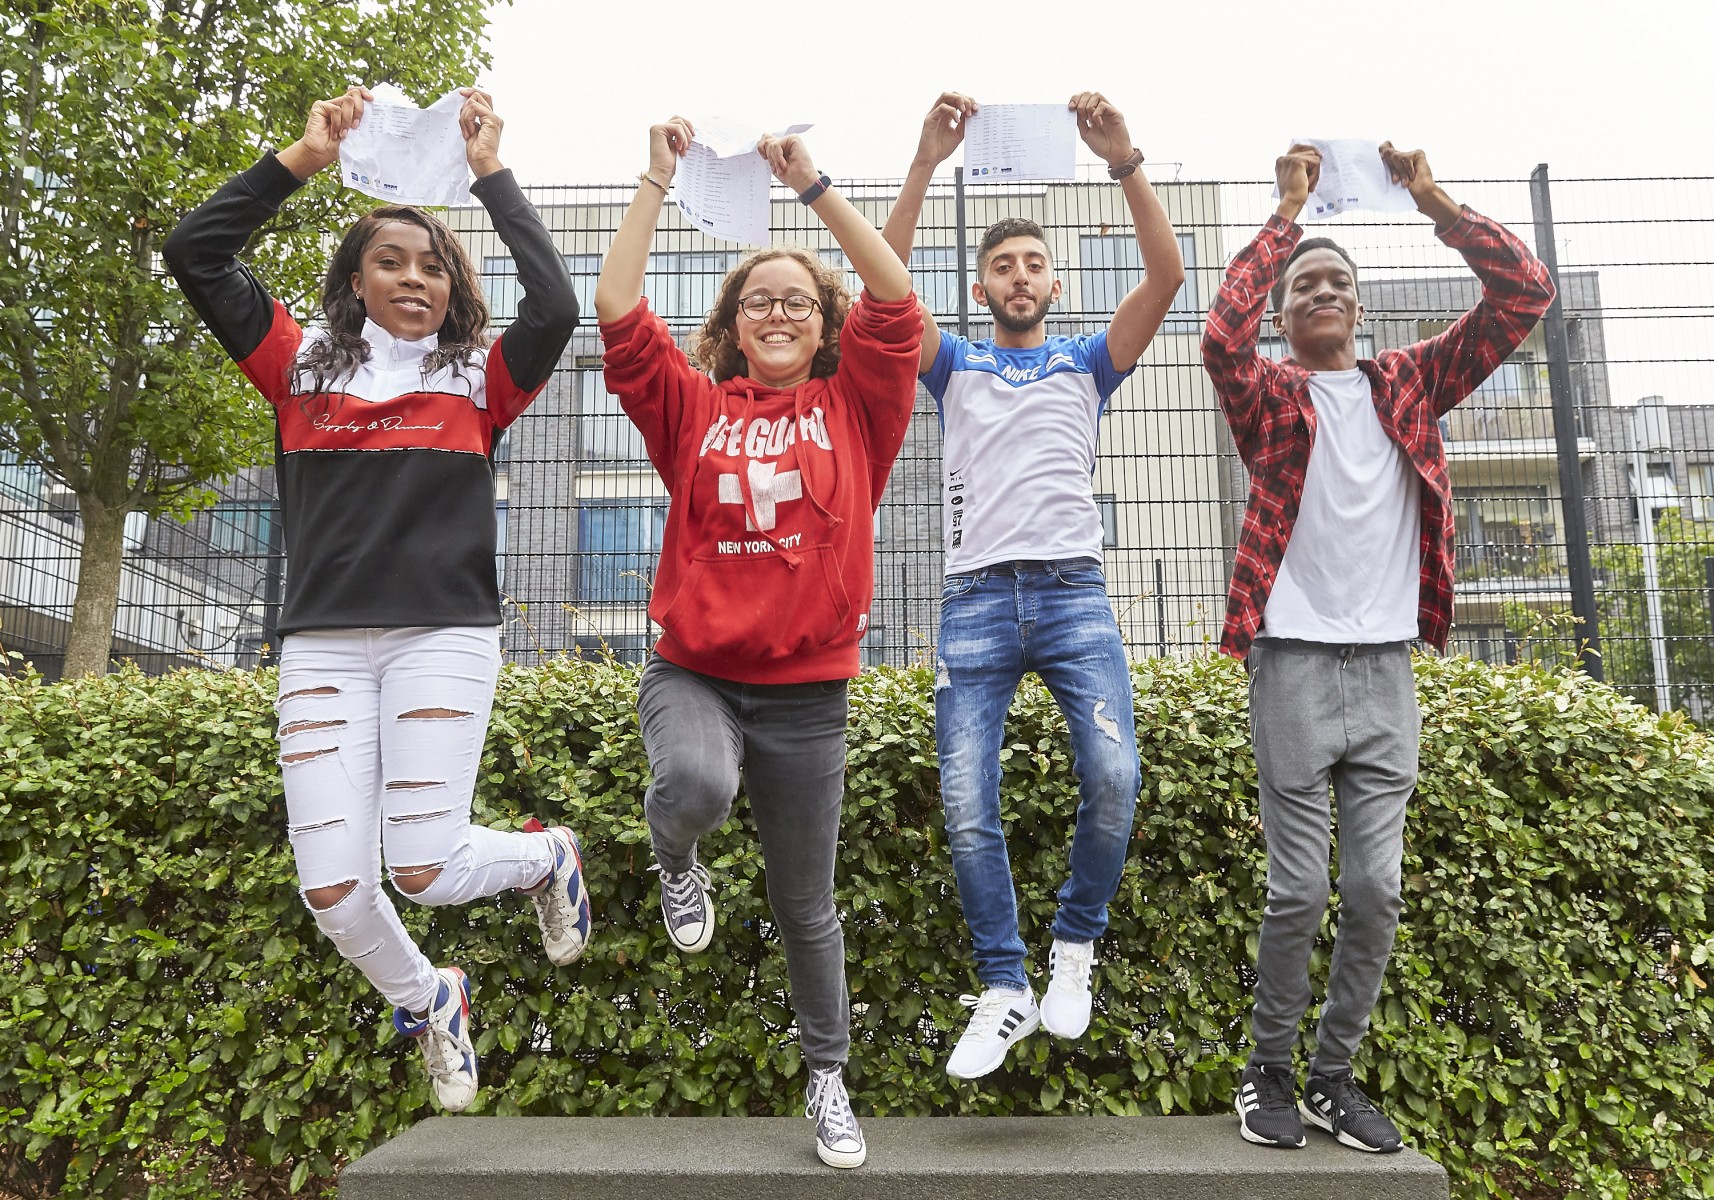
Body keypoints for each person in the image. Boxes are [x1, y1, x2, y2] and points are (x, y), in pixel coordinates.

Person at [163, 86, 591, 1114]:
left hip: (442, 637)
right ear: (353, 279)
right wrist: (302, 158)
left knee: (426, 868)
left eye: (431, 264)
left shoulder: (480, 377)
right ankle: (431, 996)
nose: (413, 276)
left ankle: (544, 858)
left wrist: (489, 173)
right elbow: (196, 253)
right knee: (332, 894)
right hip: (321, 648)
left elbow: (558, 308)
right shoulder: (296, 361)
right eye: (390, 260)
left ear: (451, 288)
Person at [1203, 144, 1554, 1152]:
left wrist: (1430, 197)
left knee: (1376, 888)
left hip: (1388, 666)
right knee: (1299, 887)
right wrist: (1286, 211)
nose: (1322, 290)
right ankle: (1266, 1069)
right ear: (1284, 309)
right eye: (1303, 282)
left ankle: (1331, 1077)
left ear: (1359, 310)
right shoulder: (1270, 396)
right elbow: (1220, 335)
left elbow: (1523, 292)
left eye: (1338, 282)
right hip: (1294, 664)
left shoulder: (1409, 384)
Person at [594, 119, 921, 1169]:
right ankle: (674, 856)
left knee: (802, 906)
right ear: (733, 326)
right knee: (693, 783)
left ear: (820, 324)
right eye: (755, 301)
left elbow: (896, 300)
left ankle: (826, 1078)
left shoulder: (856, 406)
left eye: (795, 300)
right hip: (696, 671)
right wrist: (655, 177)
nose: (775, 313)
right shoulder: (692, 409)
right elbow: (615, 308)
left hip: (808, 694)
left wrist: (812, 187)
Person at [881, 92, 1184, 1079]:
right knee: (968, 804)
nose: (1019, 275)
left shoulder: (1086, 365)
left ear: (1055, 283)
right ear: (981, 288)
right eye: (1002, 265)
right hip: (973, 604)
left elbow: (1168, 275)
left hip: (1071, 597)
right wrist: (926, 163)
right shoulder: (954, 365)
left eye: (1034, 264)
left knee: (1114, 777)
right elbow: (884, 289)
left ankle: (1073, 947)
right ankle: (1003, 986)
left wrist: (1122, 158)